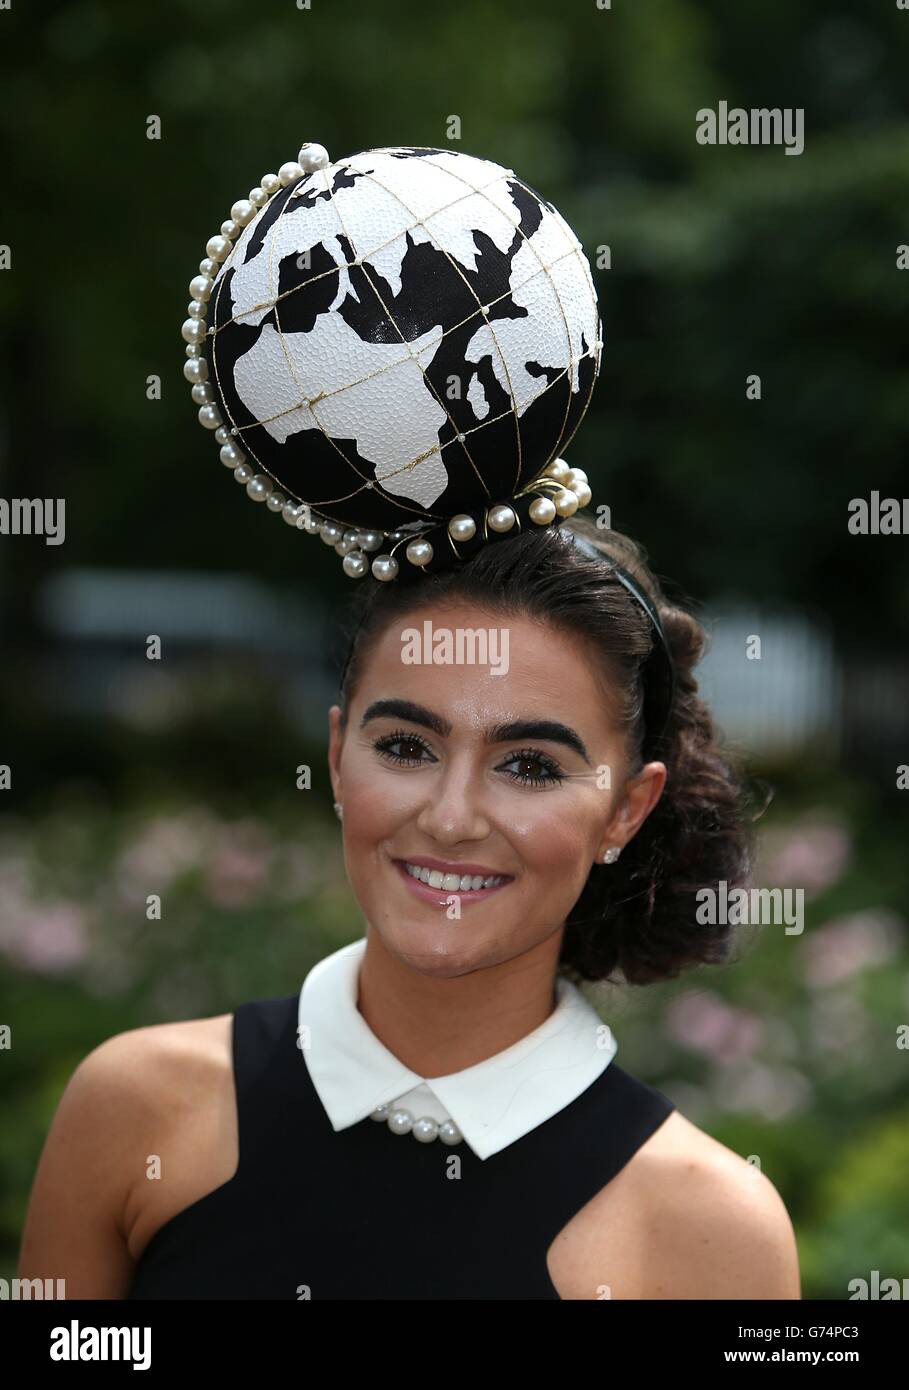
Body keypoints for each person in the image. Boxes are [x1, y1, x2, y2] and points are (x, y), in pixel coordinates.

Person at [17, 140, 800, 1299]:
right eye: (405, 744)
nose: (450, 814)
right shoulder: (136, 1108)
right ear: (336, 754)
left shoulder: (708, 1229)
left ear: (626, 807)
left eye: (532, 763)